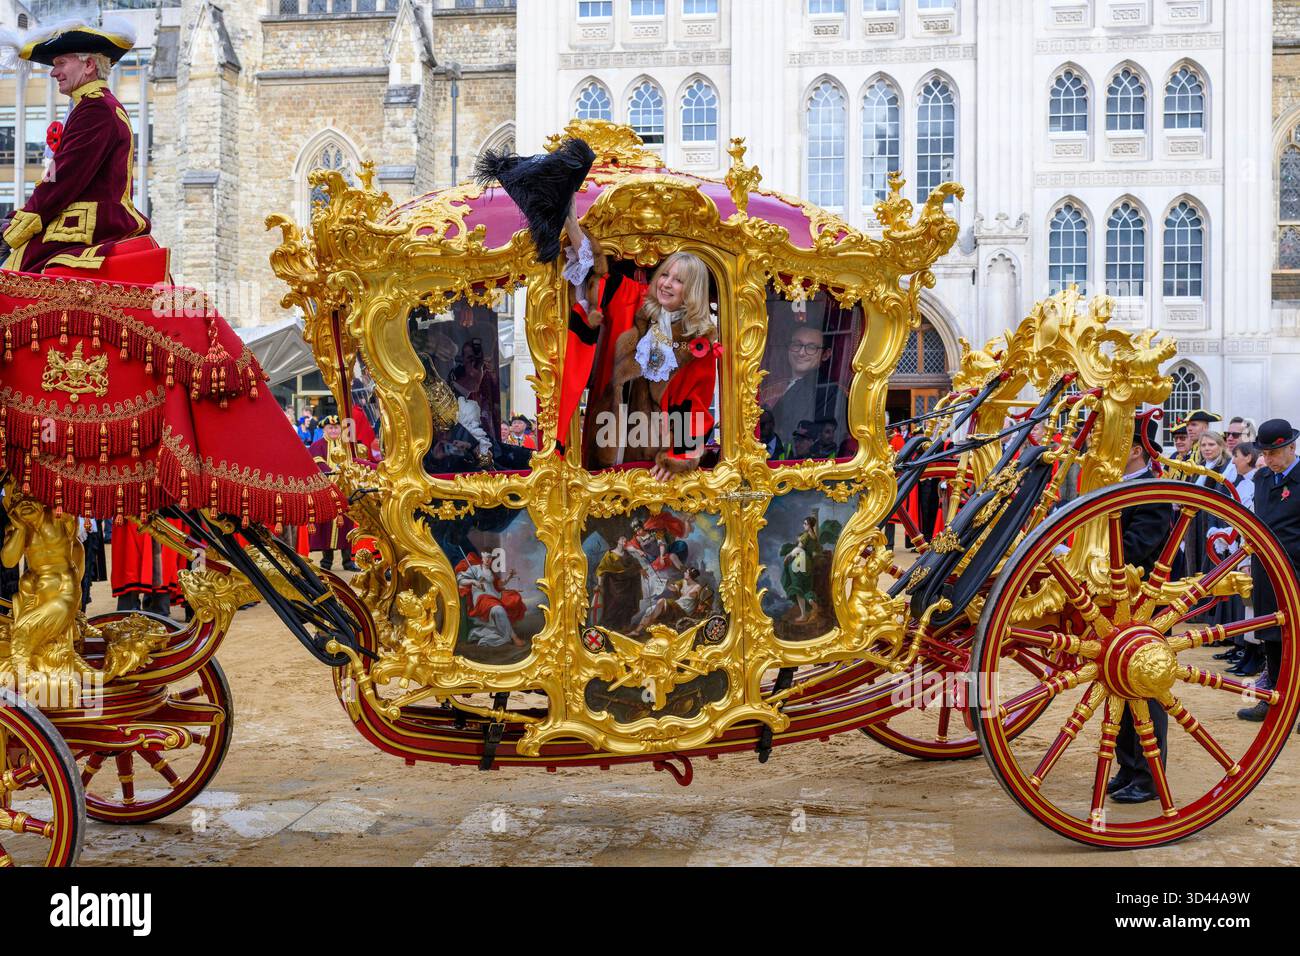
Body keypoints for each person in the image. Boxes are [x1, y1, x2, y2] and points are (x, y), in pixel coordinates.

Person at [0, 18, 150, 275]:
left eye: (60, 63)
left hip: (86, 228)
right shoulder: (94, 106)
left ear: (89, 65)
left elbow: (63, 180)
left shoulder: (95, 109)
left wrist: (14, 230)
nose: (53, 72)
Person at [584, 251, 719, 480]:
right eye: (665, 275)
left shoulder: (698, 344)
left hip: (656, 457)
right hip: (617, 443)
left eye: (678, 280)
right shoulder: (645, 320)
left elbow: (694, 406)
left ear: (692, 291)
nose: (666, 284)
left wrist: (677, 458)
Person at [1109, 418, 1173, 804]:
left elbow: (1139, 545)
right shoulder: (1116, 485)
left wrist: (1099, 560)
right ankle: (1128, 767)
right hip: (1116, 605)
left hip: (1143, 604)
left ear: (1135, 449)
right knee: (1116, 687)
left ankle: (1149, 775)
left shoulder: (1151, 491)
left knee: (1143, 686)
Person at [1238, 419, 1300, 723]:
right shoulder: (1262, 478)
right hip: (1267, 567)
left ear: (1292, 447)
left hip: (1296, 569)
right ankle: (1272, 697)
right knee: (1271, 633)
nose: (1269, 459)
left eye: (1275, 453)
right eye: (1265, 452)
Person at [760, 323, 849, 455]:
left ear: (826, 354)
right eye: (797, 344)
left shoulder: (831, 392)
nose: (802, 353)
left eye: (811, 347)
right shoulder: (773, 388)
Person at [308, 416, 359, 572]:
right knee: (327, 526)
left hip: (345, 492)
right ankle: (326, 562)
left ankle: (347, 561)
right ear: (324, 429)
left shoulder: (347, 445)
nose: (334, 430)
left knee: (346, 526)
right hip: (326, 491)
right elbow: (318, 465)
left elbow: (354, 462)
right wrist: (336, 475)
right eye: (330, 428)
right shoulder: (317, 446)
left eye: (336, 427)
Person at [455, 552, 525, 648]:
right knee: (498, 609)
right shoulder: (475, 569)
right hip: (481, 598)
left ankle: (484, 632)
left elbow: (499, 584)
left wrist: (509, 577)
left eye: (489, 558)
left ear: (491, 559)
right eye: (485, 557)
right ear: (482, 558)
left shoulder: (491, 572)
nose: (487, 560)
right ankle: (514, 637)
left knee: (513, 597)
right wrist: (474, 581)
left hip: (494, 596)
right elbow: (460, 579)